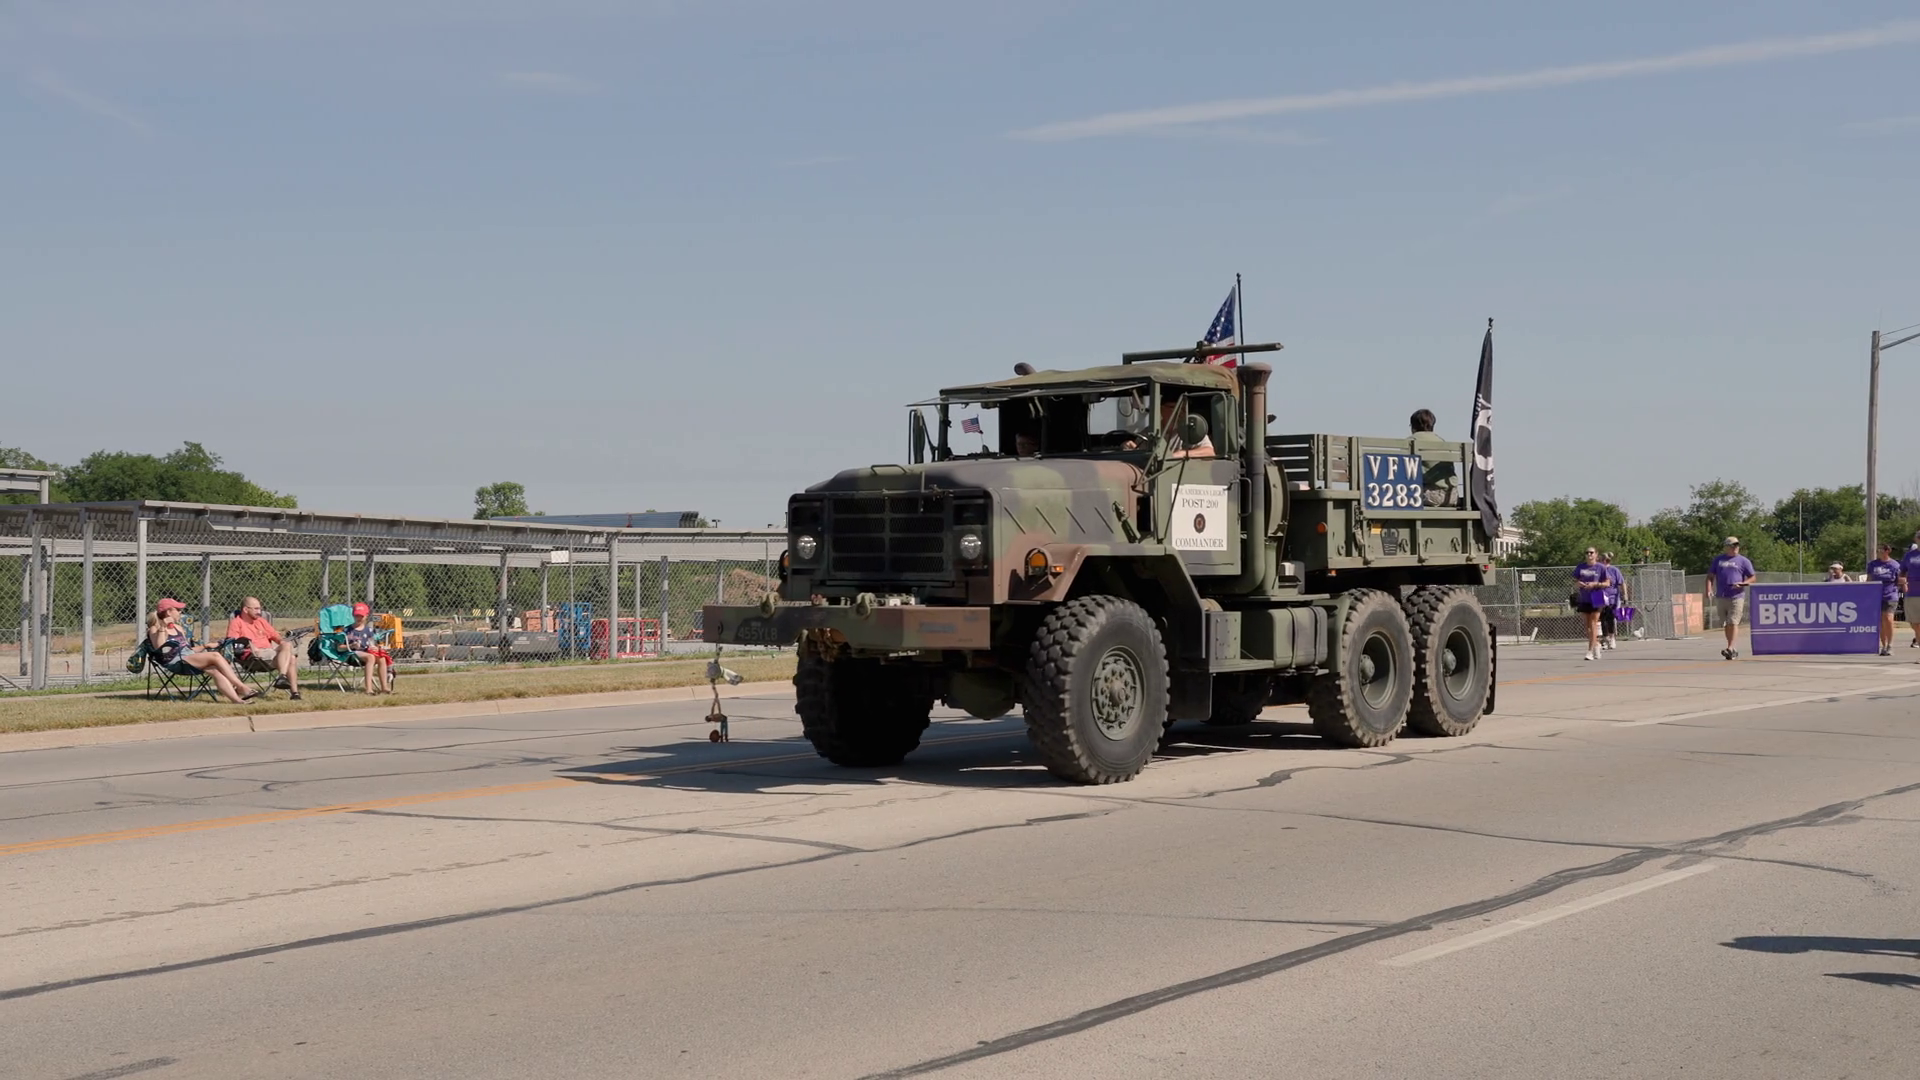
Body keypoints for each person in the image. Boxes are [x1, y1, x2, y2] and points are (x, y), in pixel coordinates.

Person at [147, 597, 258, 705]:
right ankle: (241, 687)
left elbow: (187, 649)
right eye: (178, 610)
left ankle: (237, 700)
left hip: (188, 658)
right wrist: (163, 627)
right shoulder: (155, 629)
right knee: (215, 655)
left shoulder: (178, 628)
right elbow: (159, 648)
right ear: (169, 612)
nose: (181, 613)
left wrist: (205, 646)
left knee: (215, 671)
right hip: (176, 662)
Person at [227, 596, 301, 700]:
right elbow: (232, 641)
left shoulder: (261, 621)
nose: (259, 612)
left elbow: (275, 636)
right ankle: (288, 685)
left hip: (269, 654)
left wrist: (282, 641)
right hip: (253, 657)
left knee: (287, 646)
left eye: (260, 609)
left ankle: (291, 689)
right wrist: (248, 644)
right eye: (256, 609)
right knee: (291, 658)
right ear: (245, 609)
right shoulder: (236, 623)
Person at [1708, 536, 1757, 660]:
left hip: (1736, 596)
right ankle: (1732, 649)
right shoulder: (1718, 560)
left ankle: (1730, 647)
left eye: (1737, 545)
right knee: (1726, 624)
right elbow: (1710, 577)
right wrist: (1709, 589)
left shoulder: (1743, 561)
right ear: (1726, 546)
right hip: (1721, 596)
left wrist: (1742, 584)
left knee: (1733, 622)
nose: (1735, 547)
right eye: (1732, 545)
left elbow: (1753, 577)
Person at [1409, 409, 1458, 506]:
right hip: (1452, 496)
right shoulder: (1442, 441)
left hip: (1430, 496)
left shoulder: (1411, 441)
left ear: (1413, 427)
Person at [344, 602, 395, 695]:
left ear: (366, 616)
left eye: (361, 616)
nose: (359, 618)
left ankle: (384, 688)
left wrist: (375, 647)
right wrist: (351, 646)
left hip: (366, 652)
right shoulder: (347, 630)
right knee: (370, 657)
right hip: (351, 654)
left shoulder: (369, 630)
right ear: (353, 615)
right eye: (357, 616)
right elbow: (339, 647)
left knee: (382, 658)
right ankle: (369, 689)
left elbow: (372, 643)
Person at [1865, 543, 1904, 656]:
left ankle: (1890, 645)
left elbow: (1899, 580)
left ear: (1887, 551)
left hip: (1890, 594)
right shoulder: (1873, 564)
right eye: (1878, 550)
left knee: (1888, 618)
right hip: (1876, 595)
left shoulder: (1895, 565)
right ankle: (1884, 645)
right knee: (1881, 621)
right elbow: (1869, 580)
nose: (1878, 552)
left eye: (1881, 550)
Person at [1572, 547, 1610, 661]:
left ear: (1596, 555)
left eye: (1591, 552)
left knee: (1593, 623)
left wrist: (1596, 584)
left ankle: (1589, 651)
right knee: (1587, 626)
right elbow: (1574, 580)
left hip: (1597, 596)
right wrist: (1578, 583)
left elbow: (1607, 582)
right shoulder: (1580, 567)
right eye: (1587, 552)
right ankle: (1596, 644)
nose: (1589, 554)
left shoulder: (1601, 567)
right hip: (1584, 597)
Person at [1599, 552, 1628, 650]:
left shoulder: (1614, 570)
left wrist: (1625, 595)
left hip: (1612, 597)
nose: (1602, 561)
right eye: (1601, 560)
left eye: (1604, 560)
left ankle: (1612, 638)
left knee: (1610, 617)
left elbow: (1622, 583)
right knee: (1602, 618)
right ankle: (1605, 638)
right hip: (1600, 597)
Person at [1903, 531, 1920, 648]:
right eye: (1919, 537)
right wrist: (1903, 581)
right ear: (1916, 539)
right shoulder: (1909, 555)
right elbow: (1902, 571)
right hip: (1912, 592)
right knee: (1914, 623)